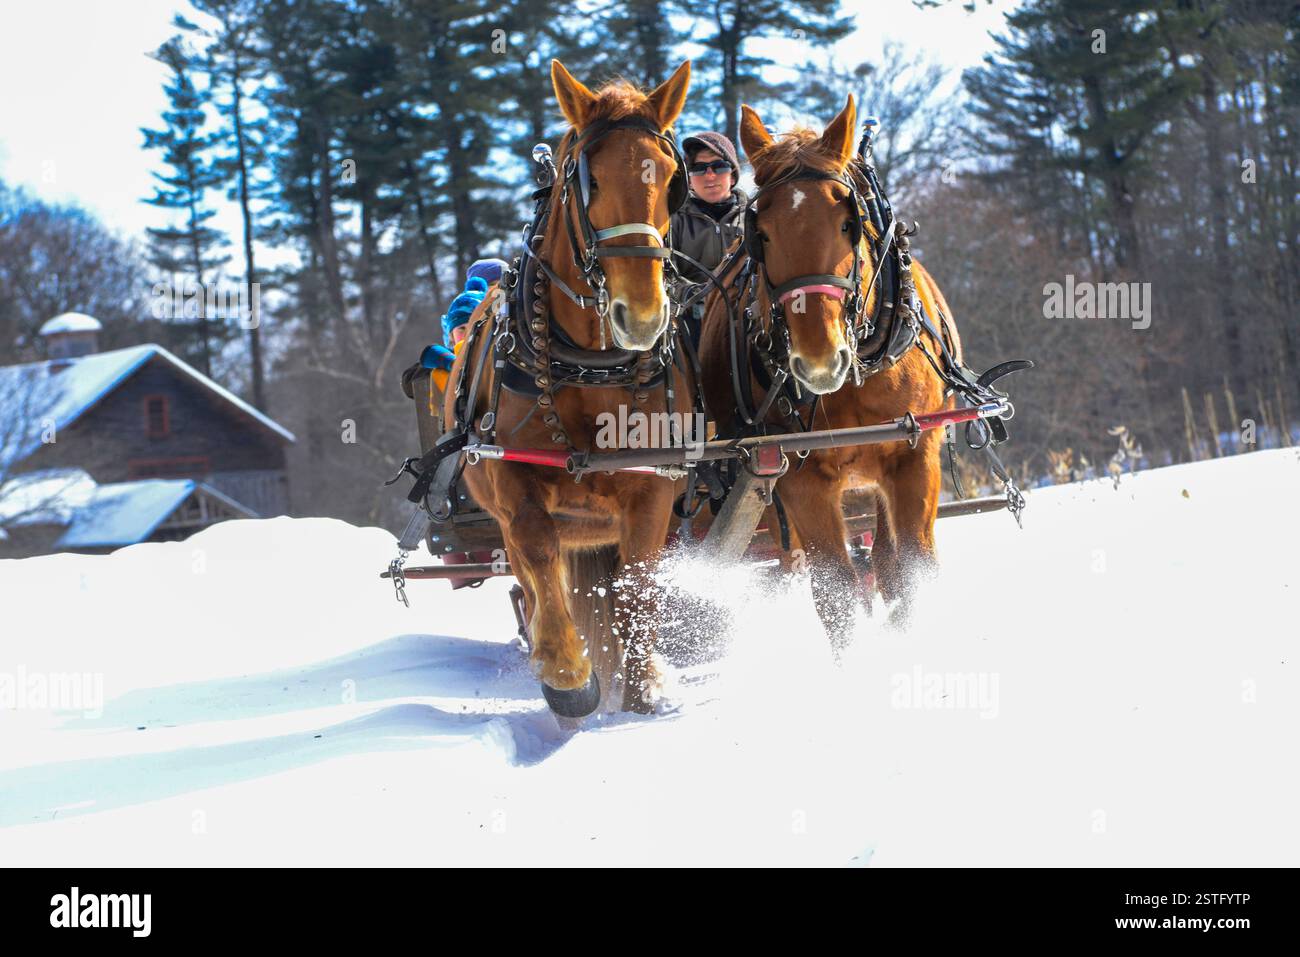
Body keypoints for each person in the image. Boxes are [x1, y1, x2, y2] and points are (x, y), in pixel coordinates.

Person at [670, 132, 747, 345]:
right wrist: (693, 294)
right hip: (688, 321)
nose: (710, 176)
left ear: (732, 175)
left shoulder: (754, 218)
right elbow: (662, 273)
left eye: (719, 166)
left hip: (745, 319)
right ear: (690, 179)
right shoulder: (672, 219)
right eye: (699, 169)